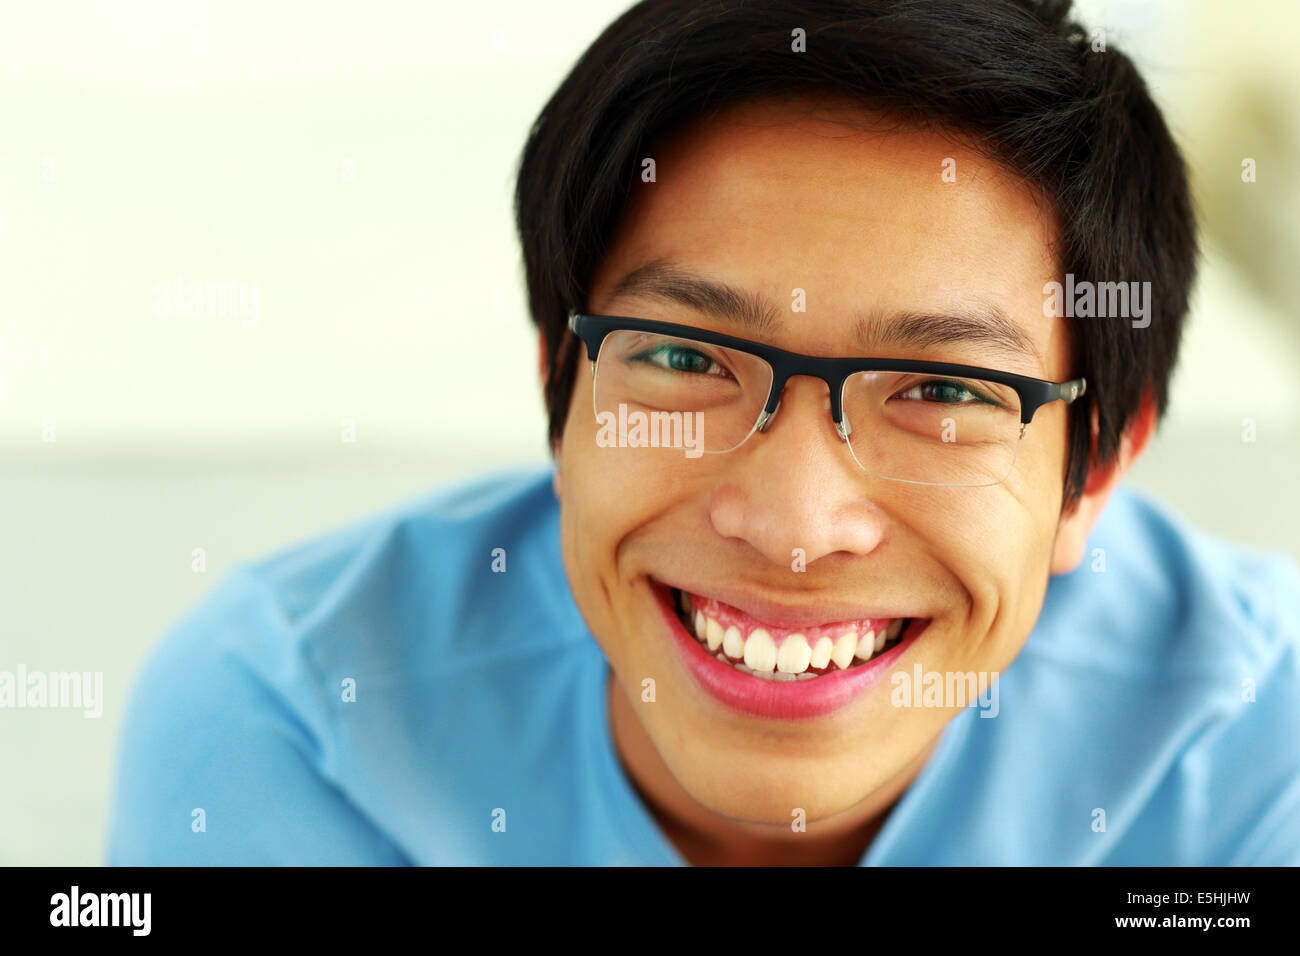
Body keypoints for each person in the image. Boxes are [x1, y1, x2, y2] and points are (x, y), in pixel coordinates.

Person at [107, 0, 1300, 865]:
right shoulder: (294, 724)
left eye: (942, 391)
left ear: (1094, 468)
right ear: (558, 387)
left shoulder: (1262, 751)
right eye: (683, 359)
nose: (791, 524)